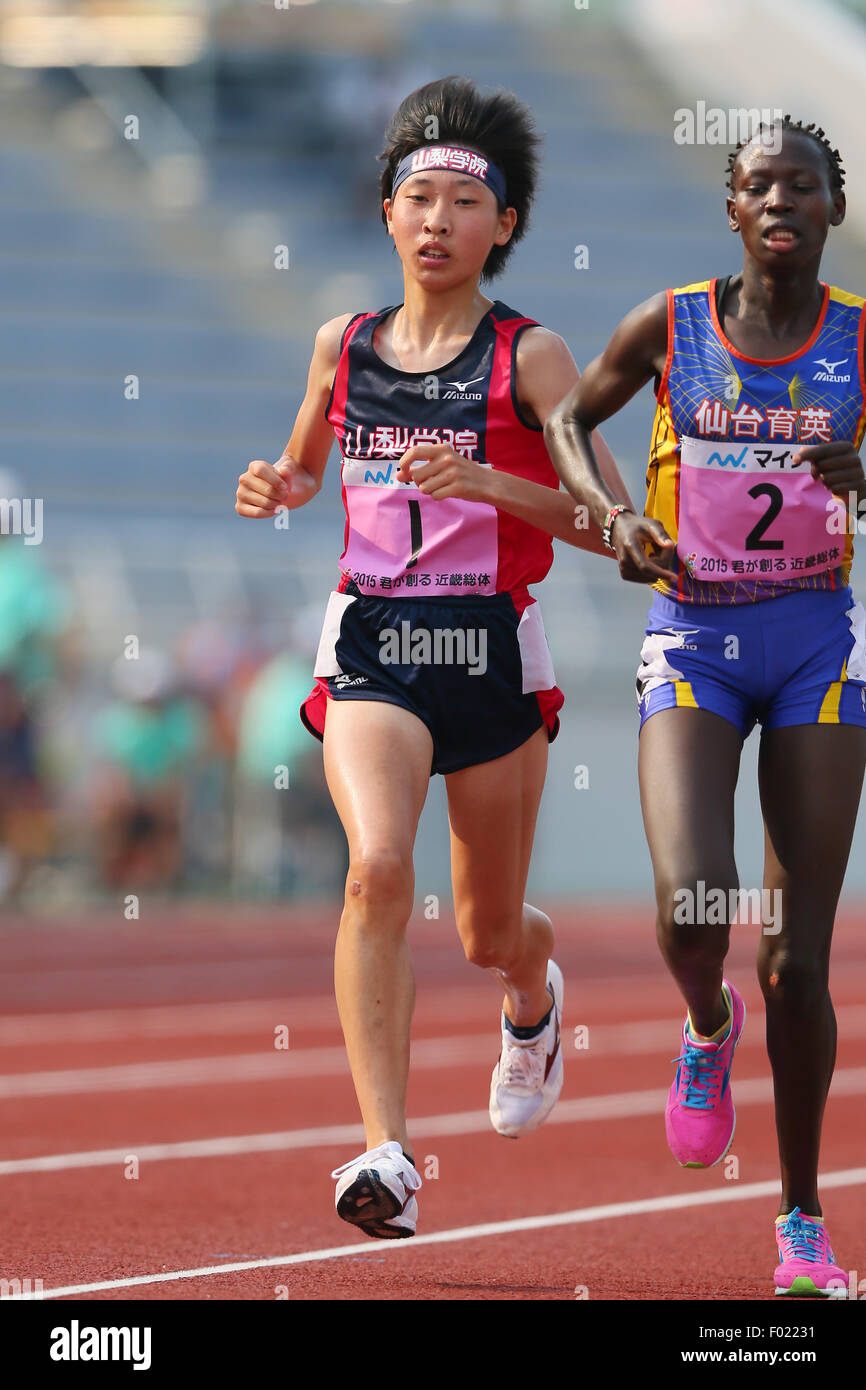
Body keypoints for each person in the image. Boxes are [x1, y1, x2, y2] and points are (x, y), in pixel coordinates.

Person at [236, 76, 633, 1239]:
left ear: (501, 225)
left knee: (485, 930)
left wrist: (494, 481)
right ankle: (386, 1155)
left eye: (464, 200)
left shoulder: (535, 359)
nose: (437, 220)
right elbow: (306, 468)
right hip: (373, 642)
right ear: (384, 211)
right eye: (418, 196)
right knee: (371, 870)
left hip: (489, 651)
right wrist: (281, 484)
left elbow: (619, 534)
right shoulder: (341, 345)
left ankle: (529, 995)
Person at [544, 117, 866, 1297]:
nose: (778, 200)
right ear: (728, 208)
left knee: (795, 957)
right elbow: (569, 418)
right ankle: (700, 1021)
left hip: (812, 649)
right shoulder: (671, 324)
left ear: (831, 206)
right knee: (691, 911)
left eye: (800, 185)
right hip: (694, 637)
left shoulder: (858, 343)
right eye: (756, 185)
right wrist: (615, 517)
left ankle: (800, 1224)